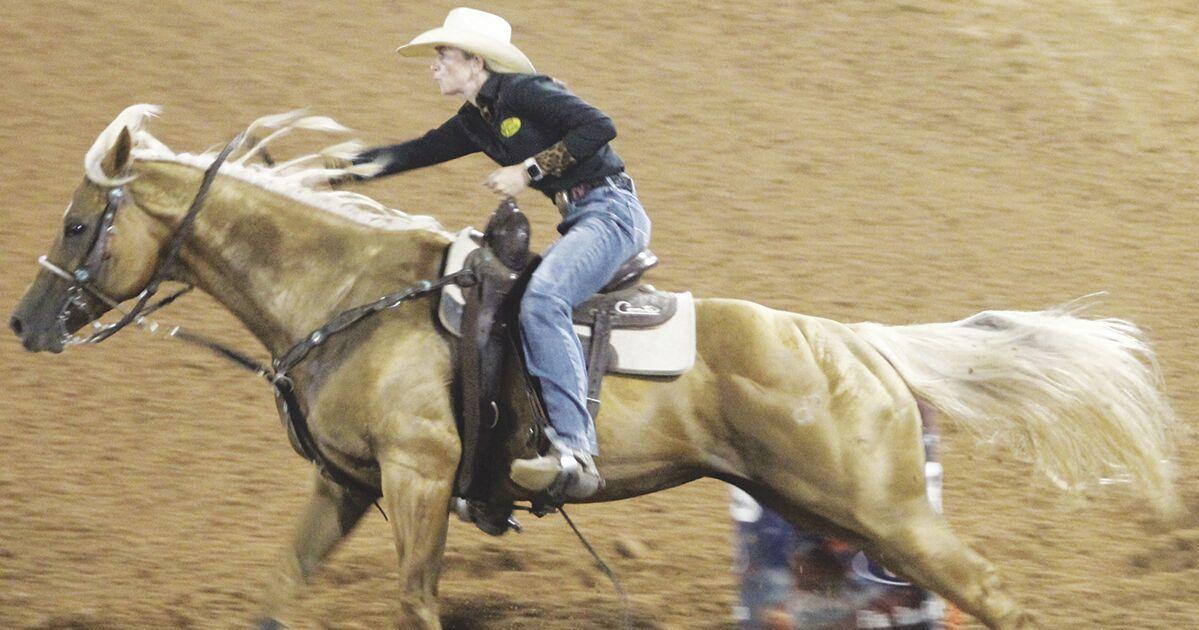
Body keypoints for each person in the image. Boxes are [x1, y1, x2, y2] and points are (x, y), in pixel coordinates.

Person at [346, 8, 651, 500]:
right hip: (583, 217)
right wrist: (337, 169)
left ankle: (575, 448)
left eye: (445, 54)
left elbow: (598, 126)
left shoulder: (523, 91)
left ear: (476, 61)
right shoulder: (477, 121)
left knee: (544, 300)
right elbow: (415, 152)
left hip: (612, 213)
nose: (435, 65)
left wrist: (527, 171)